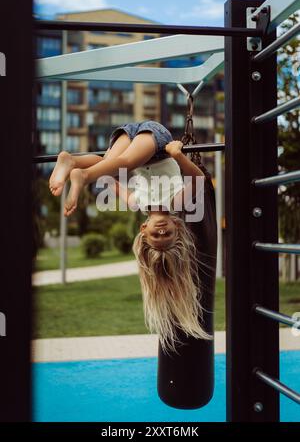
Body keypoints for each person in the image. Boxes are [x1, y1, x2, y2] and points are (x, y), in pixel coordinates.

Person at [49, 120, 214, 353]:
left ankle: (72, 162)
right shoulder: (177, 203)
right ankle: (81, 174)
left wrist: (102, 178)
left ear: (143, 229)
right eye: (167, 233)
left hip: (128, 138)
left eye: (156, 236)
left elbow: (112, 182)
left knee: (110, 166)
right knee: (122, 164)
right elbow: (198, 179)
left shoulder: (138, 204)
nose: (161, 231)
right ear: (177, 225)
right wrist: (178, 156)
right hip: (157, 142)